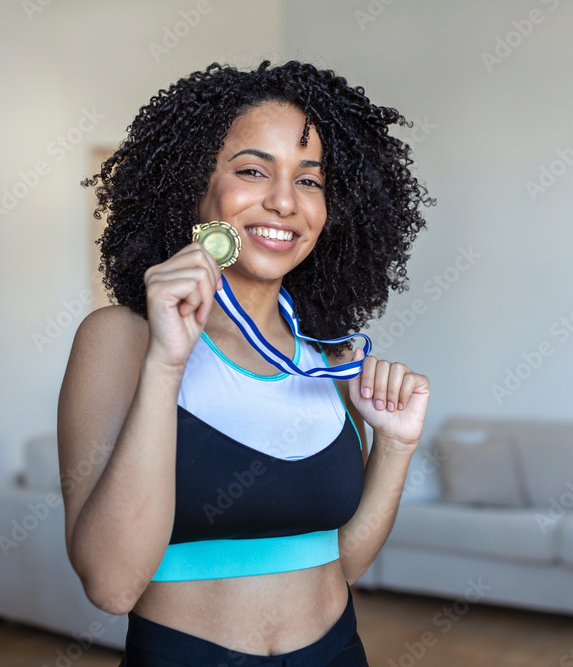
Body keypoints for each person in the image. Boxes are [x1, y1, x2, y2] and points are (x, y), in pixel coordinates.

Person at [58, 59, 435, 666]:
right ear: (193, 188)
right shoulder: (120, 340)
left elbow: (342, 564)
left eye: (309, 181)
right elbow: (111, 585)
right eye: (253, 171)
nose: (284, 201)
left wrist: (396, 445)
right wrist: (166, 363)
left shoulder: (329, 357)